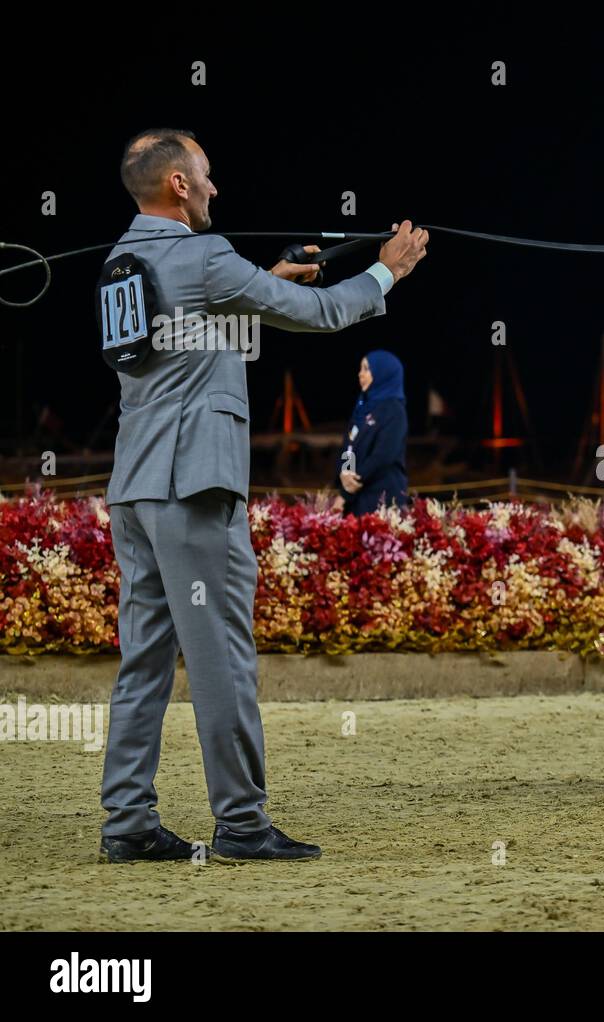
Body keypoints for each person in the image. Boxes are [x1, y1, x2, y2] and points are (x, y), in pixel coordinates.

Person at [98, 127, 428, 863]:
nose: (216, 188)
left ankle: (127, 823)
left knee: (143, 663)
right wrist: (385, 275)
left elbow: (191, 328)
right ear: (178, 184)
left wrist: (267, 278)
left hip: (135, 490)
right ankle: (242, 825)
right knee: (222, 660)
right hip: (193, 489)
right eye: (206, 175)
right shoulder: (204, 255)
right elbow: (315, 317)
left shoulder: (120, 263)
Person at [337, 350, 410, 515]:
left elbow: (383, 456)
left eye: (366, 369)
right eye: (360, 368)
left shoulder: (394, 410)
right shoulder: (363, 406)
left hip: (382, 499)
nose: (360, 374)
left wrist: (348, 489)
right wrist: (345, 473)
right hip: (355, 499)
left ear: (382, 373)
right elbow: (349, 444)